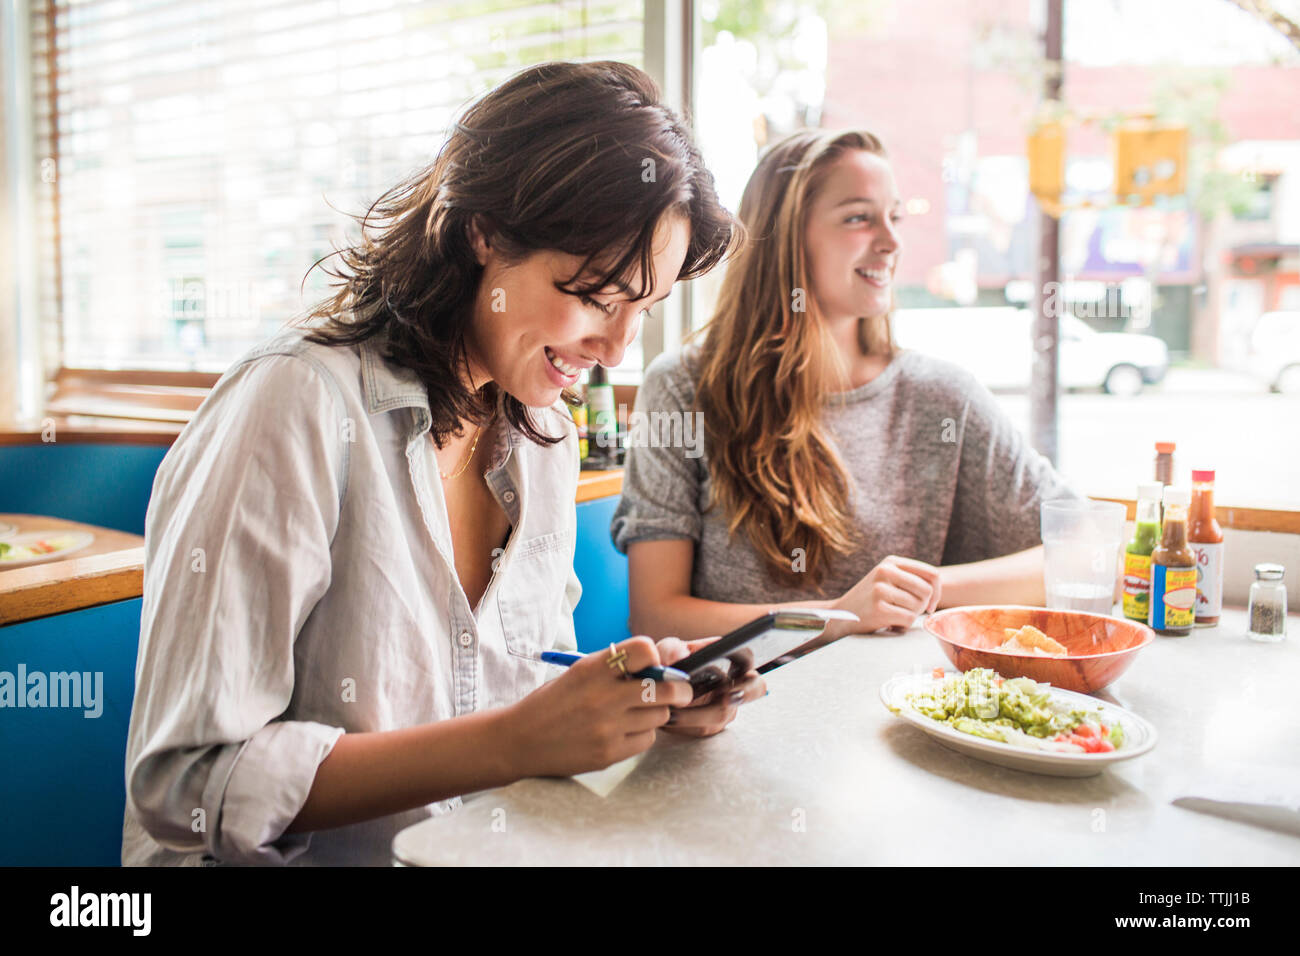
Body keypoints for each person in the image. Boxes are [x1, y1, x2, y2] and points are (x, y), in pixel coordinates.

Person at [122, 60, 764, 867]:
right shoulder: (296, 404)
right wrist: (513, 742)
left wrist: (635, 711)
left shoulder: (544, 439)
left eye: (645, 308)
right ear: (484, 231)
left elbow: (519, 691)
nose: (615, 349)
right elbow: (189, 784)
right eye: (597, 295)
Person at [612, 128, 1082, 644]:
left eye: (895, 217)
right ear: (787, 237)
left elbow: (1078, 549)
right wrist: (838, 615)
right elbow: (656, 618)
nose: (891, 241)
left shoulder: (943, 397)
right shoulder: (682, 388)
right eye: (859, 218)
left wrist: (921, 589)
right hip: (741, 711)